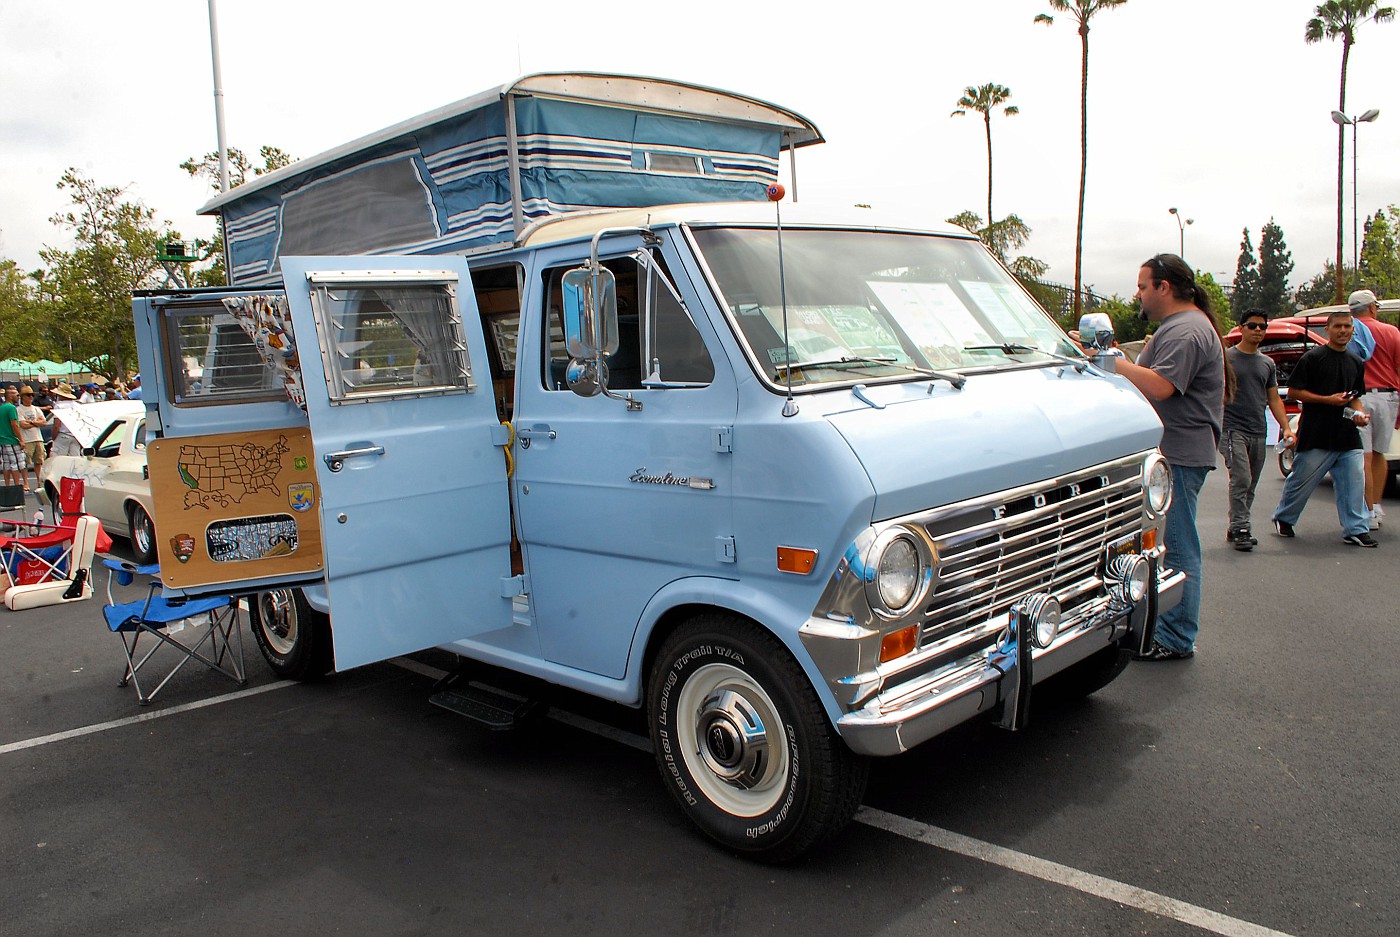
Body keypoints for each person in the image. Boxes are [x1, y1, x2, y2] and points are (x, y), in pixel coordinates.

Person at [1113, 253, 1231, 661]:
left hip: (1178, 456)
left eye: (1144, 286)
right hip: (1175, 454)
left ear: (1164, 287)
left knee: (1178, 548)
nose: (1139, 294)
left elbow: (1161, 387)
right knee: (1167, 544)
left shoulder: (1186, 330)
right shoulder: (1180, 327)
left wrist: (1117, 365)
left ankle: (1176, 636)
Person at [1270, 310, 1376, 547]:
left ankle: (1356, 529)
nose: (1343, 331)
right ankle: (1284, 518)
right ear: (1327, 330)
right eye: (1338, 326)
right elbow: (1295, 392)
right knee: (1300, 481)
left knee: (1353, 482)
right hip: (1316, 434)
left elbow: (1355, 397)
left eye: (1347, 327)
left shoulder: (1356, 362)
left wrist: (1359, 414)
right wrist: (1328, 400)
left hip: (1347, 436)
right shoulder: (1313, 358)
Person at [1220, 311, 1294, 551]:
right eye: (1252, 326)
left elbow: (1273, 398)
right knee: (1241, 477)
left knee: (1250, 481)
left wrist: (1285, 427)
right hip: (1232, 429)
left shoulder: (1267, 363)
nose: (1258, 330)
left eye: (1262, 326)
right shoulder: (1227, 359)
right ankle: (1242, 527)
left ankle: (1236, 526)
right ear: (1241, 328)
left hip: (1258, 430)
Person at [1345, 289, 1400, 529]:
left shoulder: (1347, 332)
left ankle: (1366, 508)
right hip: (1388, 396)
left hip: (1359, 397)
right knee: (1379, 454)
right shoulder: (1391, 332)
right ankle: (1375, 505)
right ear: (1372, 308)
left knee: (1362, 456)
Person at [15, 385, 46, 491]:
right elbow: (23, 424)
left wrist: (32, 422)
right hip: (27, 439)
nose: (30, 397)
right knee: (24, 463)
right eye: (28, 395)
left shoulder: (36, 409)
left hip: (38, 438)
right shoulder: (19, 410)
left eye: (32, 395)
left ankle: (39, 482)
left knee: (39, 461)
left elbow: (43, 422)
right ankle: (26, 483)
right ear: (22, 397)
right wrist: (36, 423)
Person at [0, 385, 26, 492]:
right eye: (17, 395)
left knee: (6, 465)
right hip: (12, 439)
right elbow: (14, 424)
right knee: (15, 464)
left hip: (3, 440)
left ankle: (7, 486)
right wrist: (21, 439)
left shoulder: (1, 408)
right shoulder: (11, 408)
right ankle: (16, 486)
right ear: (10, 396)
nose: (18, 397)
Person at [48, 382, 83, 457]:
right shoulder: (77, 405)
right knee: (75, 460)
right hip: (75, 436)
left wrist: (54, 437)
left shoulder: (59, 406)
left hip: (63, 435)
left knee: (58, 459)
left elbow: (56, 425)